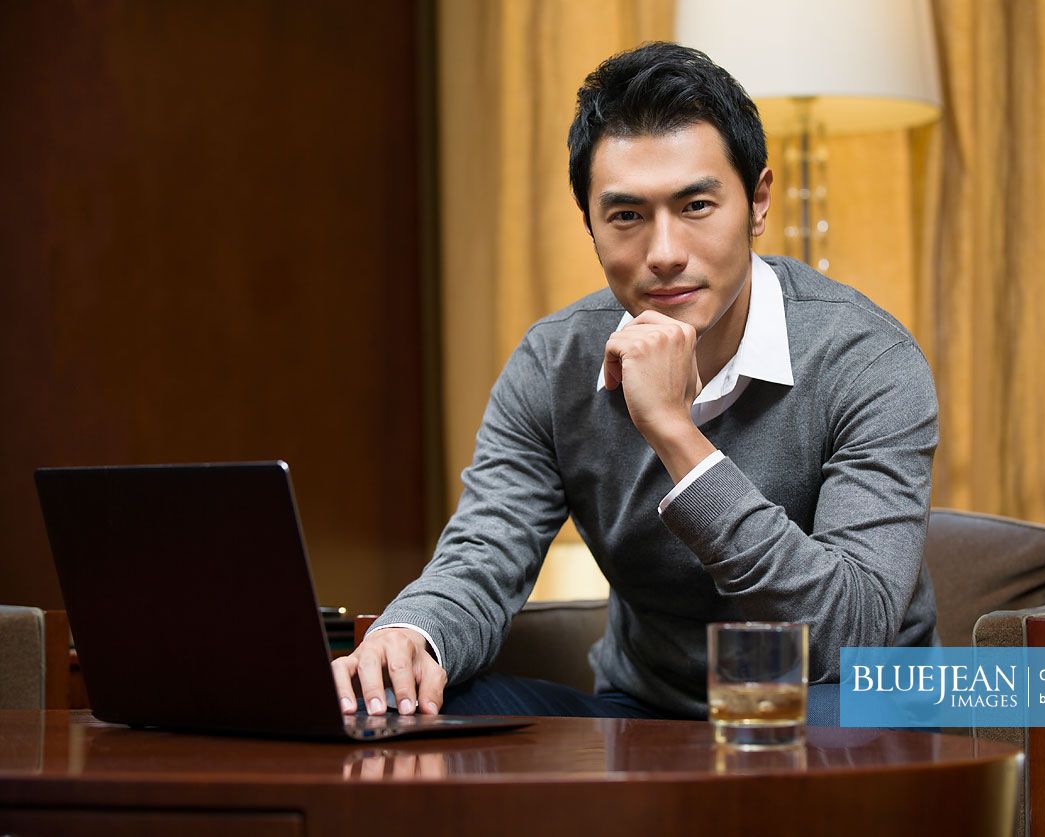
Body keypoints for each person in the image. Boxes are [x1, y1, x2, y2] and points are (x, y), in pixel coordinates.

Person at [331, 41, 940, 722]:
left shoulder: (867, 359)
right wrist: (409, 635)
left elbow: (848, 633)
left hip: (849, 702)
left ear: (757, 202)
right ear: (590, 226)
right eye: (626, 216)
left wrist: (675, 434)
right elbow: (484, 552)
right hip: (647, 711)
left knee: (824, 728)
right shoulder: (554, 362)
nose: (664, 254)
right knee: (406, 710)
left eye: (696, 205)